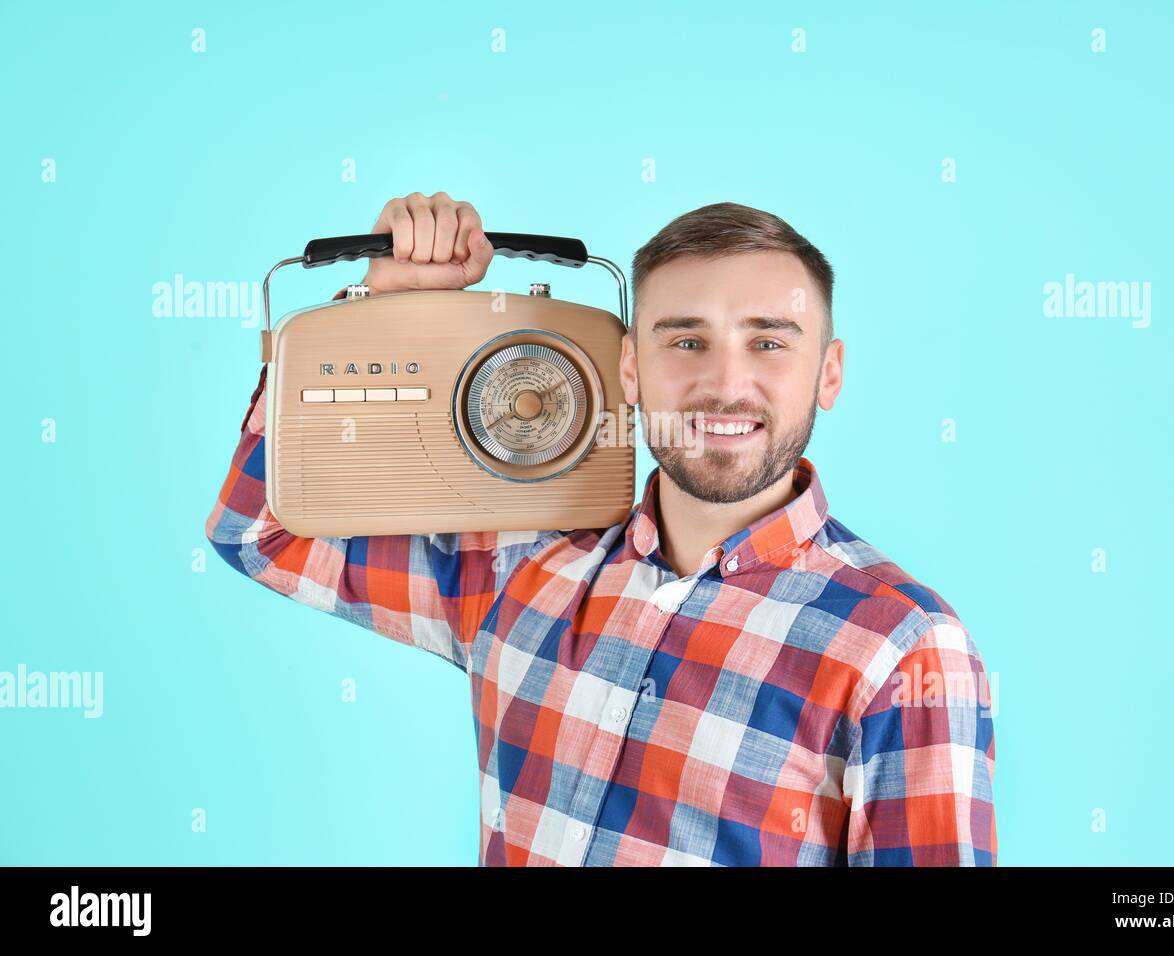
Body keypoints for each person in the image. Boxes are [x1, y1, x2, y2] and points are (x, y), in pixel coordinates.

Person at [206, 190, 997, 866]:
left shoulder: (904, 648)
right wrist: (384, 315)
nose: (724, 384)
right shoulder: (519, 563)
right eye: (685, 340)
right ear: (629, 369)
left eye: (768, 342)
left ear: (829, 374)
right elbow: (262, 533)